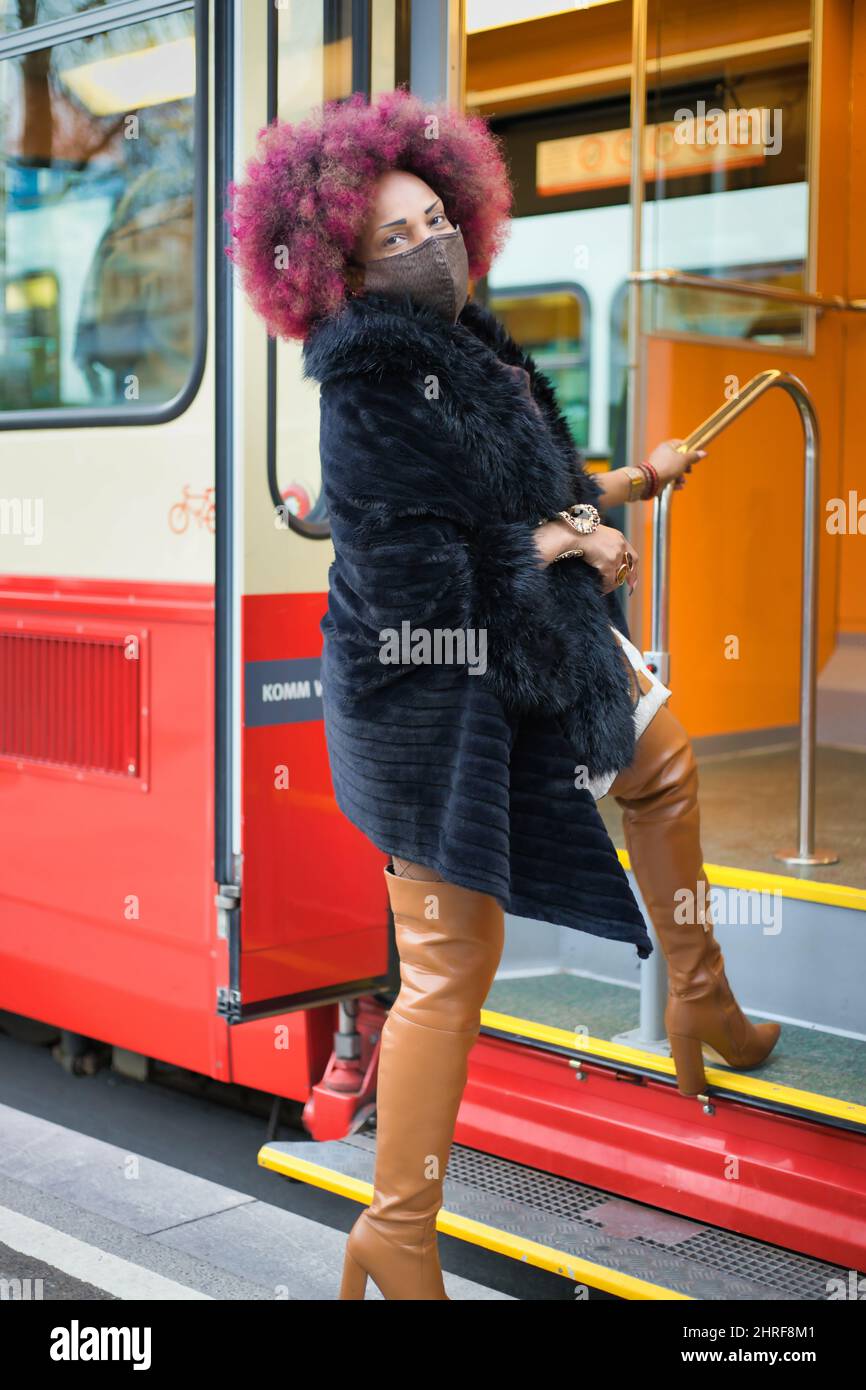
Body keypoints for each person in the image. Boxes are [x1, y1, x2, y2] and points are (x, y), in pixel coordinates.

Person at [227, 88, 780, 1302]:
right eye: (393, 236)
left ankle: (701, 1005)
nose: (428, 242)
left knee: (664, 763)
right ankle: (396, 1233)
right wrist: (575, 548)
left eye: (435, 216)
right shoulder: (367, 392)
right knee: (447, 964)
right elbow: (432, 572)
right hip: (421, 700)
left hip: (523, 654)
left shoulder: (469, 344)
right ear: (342, 271)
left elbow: (539, 484)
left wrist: (633, 481)